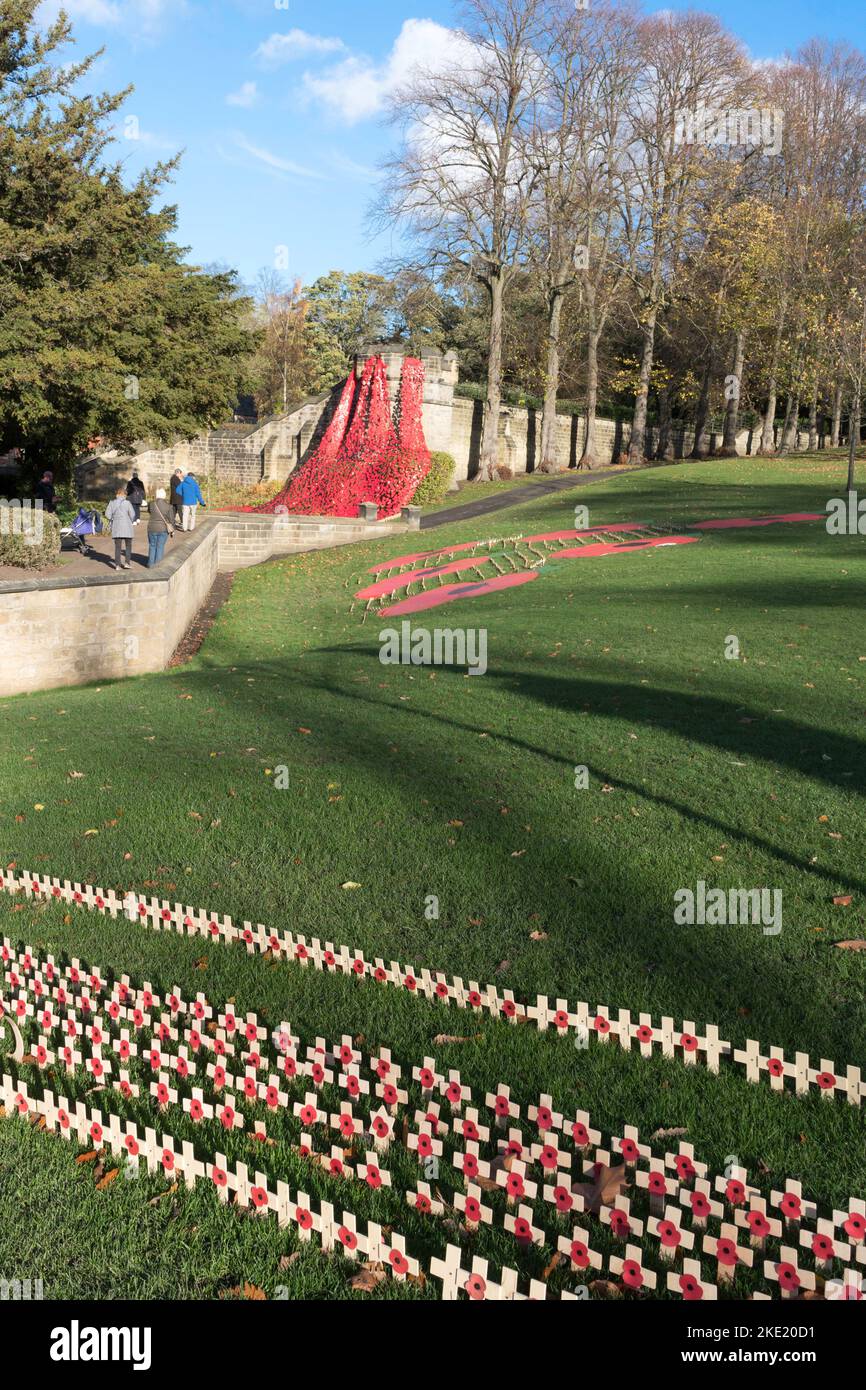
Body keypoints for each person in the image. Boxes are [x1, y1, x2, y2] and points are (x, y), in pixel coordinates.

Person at [105, 488, 136, 569]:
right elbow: (132, 514)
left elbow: (107, 515)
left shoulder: (112, 503)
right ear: (125, 495)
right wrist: (130, 520)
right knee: (128, 546)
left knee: (118, 547)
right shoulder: (127, 503)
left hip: (117, 527)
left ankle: (117, 565)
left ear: (117, 494)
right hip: (127, 528)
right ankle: (127, 563)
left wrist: (113, 519)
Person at [147, 487, 175, 568]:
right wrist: (173, 530)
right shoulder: (169, 506)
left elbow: (149, 512)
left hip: (151, 527)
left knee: (152, 545)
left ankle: (150, 564)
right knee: (160, 546)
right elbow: (171, 519)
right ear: (164, 496)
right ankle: (158, 565)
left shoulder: (151, 504)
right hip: (163, 528)